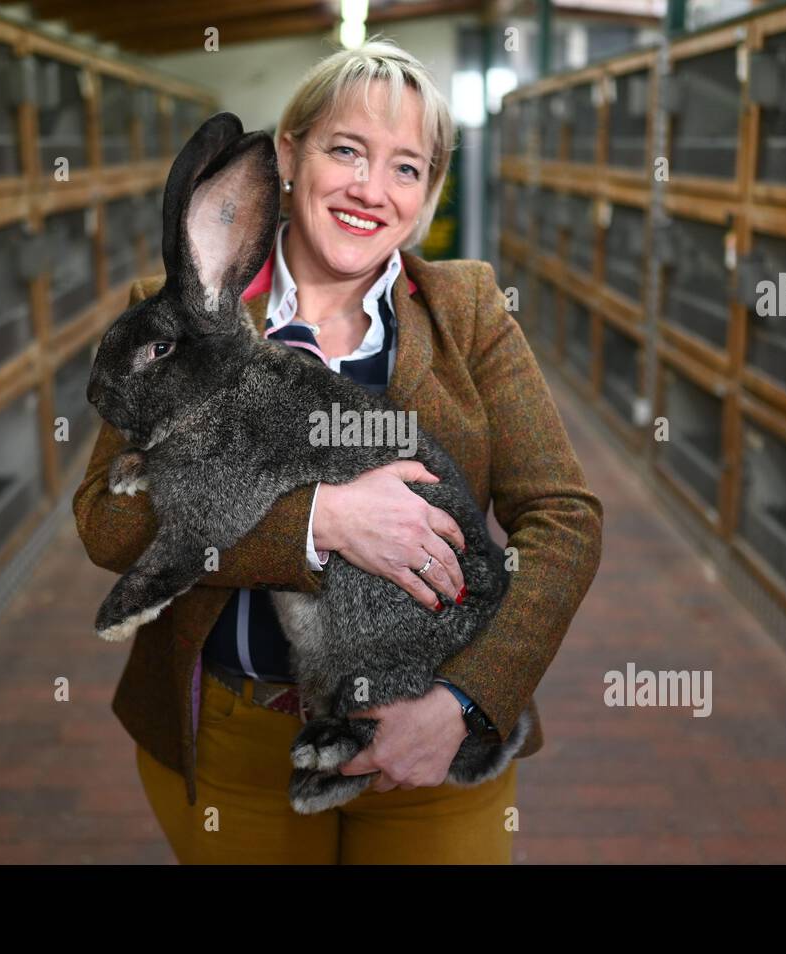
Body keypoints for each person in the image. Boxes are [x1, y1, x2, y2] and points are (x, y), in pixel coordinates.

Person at [72, 37, 602, 864]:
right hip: (231, 734)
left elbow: (564, 519)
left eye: (406, 168)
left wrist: (466, 702)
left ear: (428, 193)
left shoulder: (466, 309)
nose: (370, 189)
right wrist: (322, 523)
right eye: (347, 150)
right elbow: (106, 525)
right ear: (289, 155)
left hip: (422, 727)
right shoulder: (180, 321)